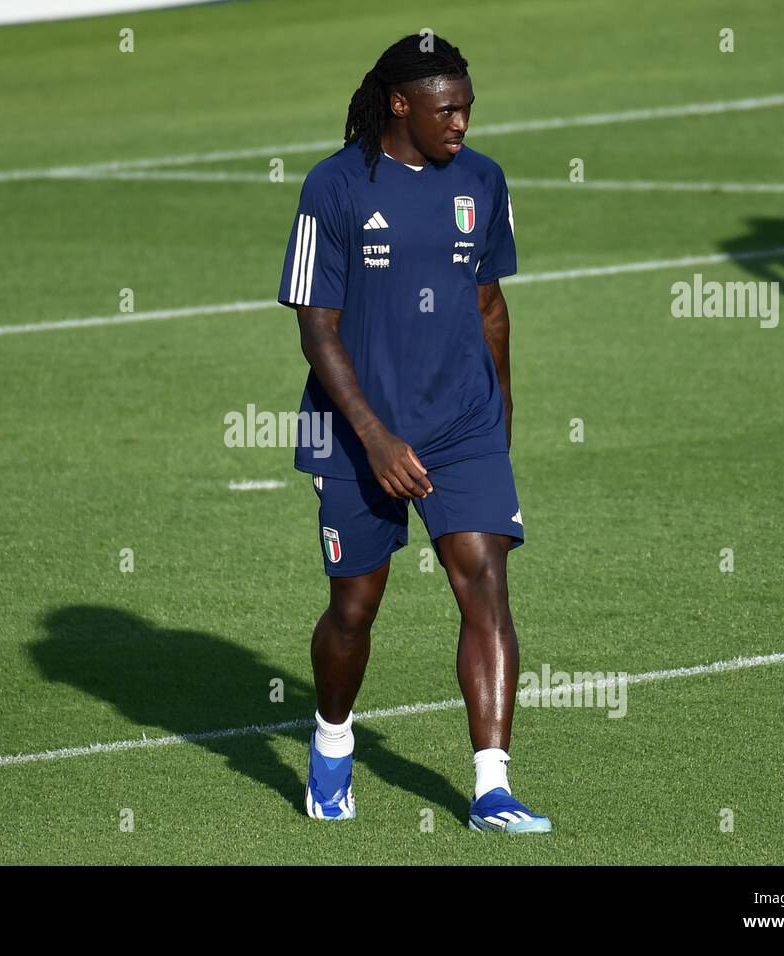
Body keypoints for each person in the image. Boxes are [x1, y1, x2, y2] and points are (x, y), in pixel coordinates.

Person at [276, 32, 550, 833]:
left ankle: (492, 786)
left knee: (485, 583)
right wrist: (374, 436)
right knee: (355, 608)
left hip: (462, 422)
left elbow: (489, 305)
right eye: (447, 109)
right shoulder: (334, 185)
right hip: (356, 429)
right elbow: (316, 326)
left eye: (468, 108)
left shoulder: (483, 181)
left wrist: (498, 419)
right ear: (401, 104)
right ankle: (331, 744)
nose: (462, 122)